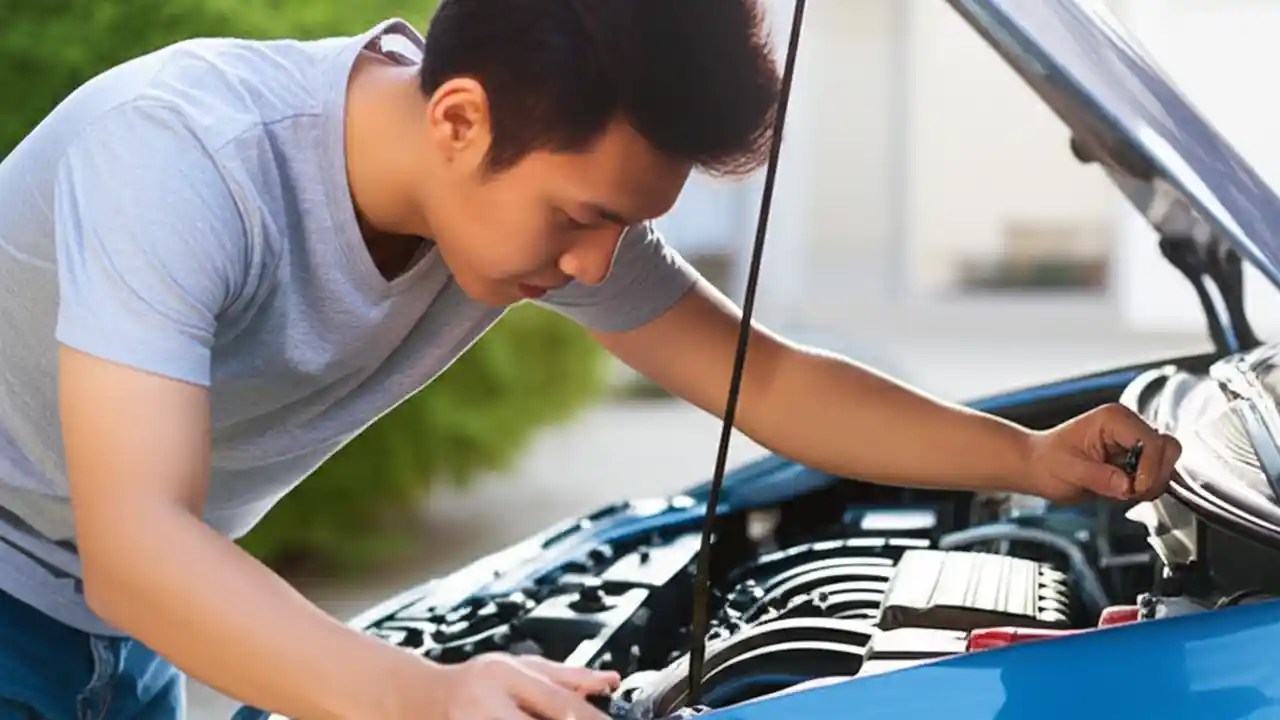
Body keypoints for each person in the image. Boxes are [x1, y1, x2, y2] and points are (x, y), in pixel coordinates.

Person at [0, 0, 1182, 718]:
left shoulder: (522, 199)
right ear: (457, 119)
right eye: (578, 218)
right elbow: (139, 544)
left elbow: (761, 380)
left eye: (623, 226)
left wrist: (1032, 459)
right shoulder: (180, 162)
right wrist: (417, 699)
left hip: (115, 636)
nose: (593, 264)